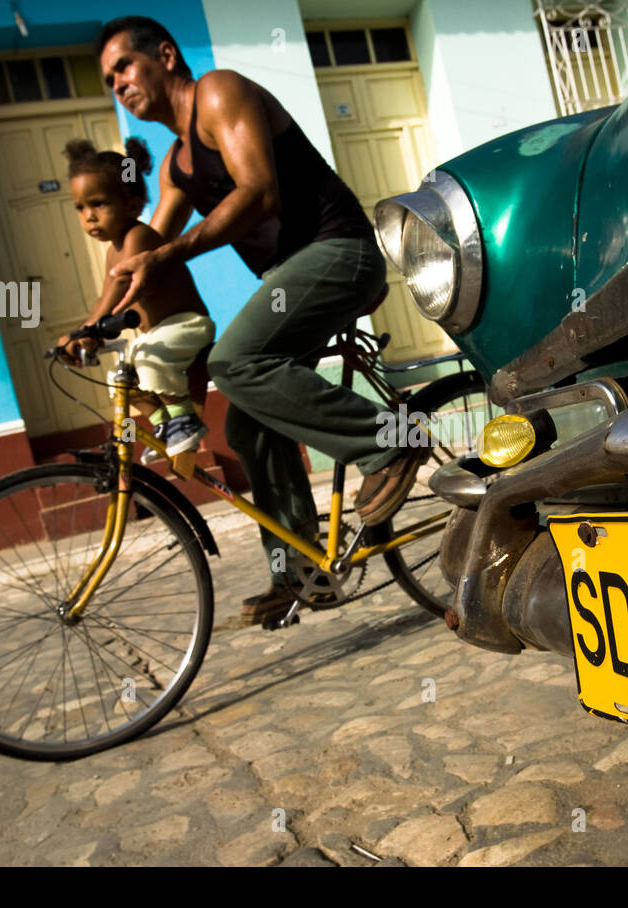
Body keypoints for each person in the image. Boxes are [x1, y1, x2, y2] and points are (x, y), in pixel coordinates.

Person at [95, 16, 429, 624]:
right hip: (288, 279)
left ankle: (390, 442)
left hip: (339, 250)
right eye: (108, 79)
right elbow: (142, 245)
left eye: (123, 66)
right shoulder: (174, 164)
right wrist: (90, 320)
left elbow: (259, 192)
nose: (117, 83)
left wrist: (169, 255)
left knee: (234, 361)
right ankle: (302, 571)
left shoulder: (219, 93)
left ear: (165, 55)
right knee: (249, 427)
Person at [59, 137, 214, 460]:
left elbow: (118, 291)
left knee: (144, 357)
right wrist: (90, 334)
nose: (88, 216)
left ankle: (185, 422)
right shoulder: (112, 251)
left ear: (131, 205)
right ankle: (163, 424)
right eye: (80, 207)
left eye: (98, 204)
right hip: (158, 333)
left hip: (187, 325)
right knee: (120, 379)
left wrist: (84, 330)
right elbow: (107, 298)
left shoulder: (138, 237)